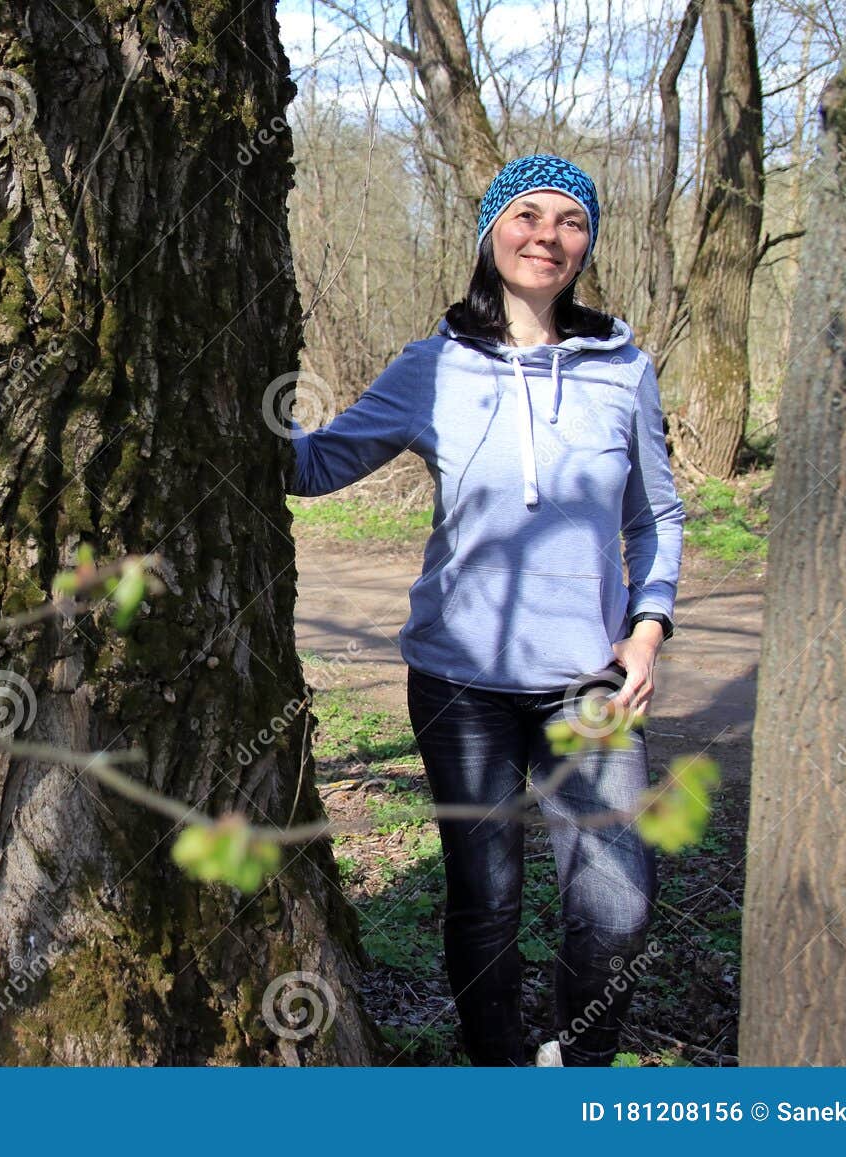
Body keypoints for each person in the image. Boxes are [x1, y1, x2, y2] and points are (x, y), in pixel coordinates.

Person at [285, 154, 685, 1067]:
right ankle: (500, 1075)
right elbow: (318, 464)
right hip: (460, 682)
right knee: (486, 898)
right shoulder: (433, 367)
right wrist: (236, 399)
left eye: (571, 221)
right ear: (490, 231)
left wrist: (649, 627)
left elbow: (656, 513)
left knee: (619, 903)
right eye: (527, 215)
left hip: (592, 683)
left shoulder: (624, 368)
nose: (548, 236)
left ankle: (580, 1072)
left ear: (587, 244)